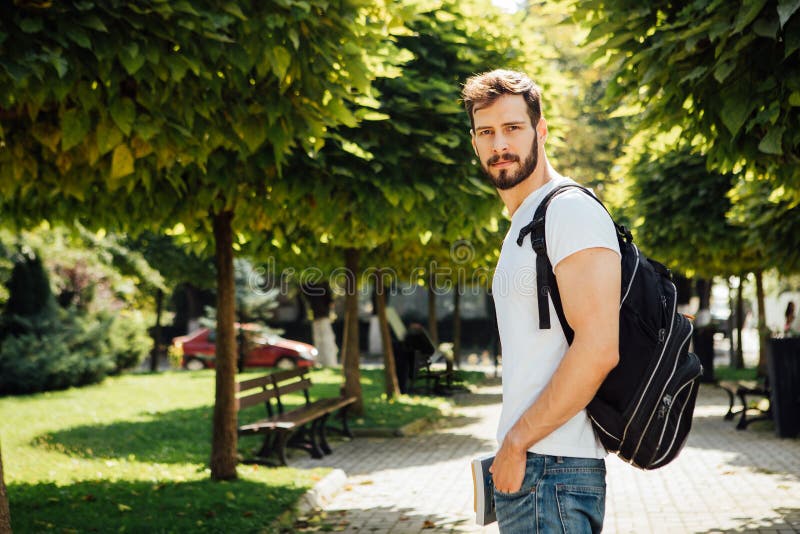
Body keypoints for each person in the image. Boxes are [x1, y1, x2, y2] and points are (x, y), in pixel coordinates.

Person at [461, 69, 621, 533]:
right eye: (486, 132)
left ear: (541, 130)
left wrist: (516, 444)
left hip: (552, 471)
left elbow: (598, 347)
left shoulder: (568, 210)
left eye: (513, 128)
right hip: (539, 474)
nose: (499, 145)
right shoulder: (525, 223)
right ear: (474, 141)